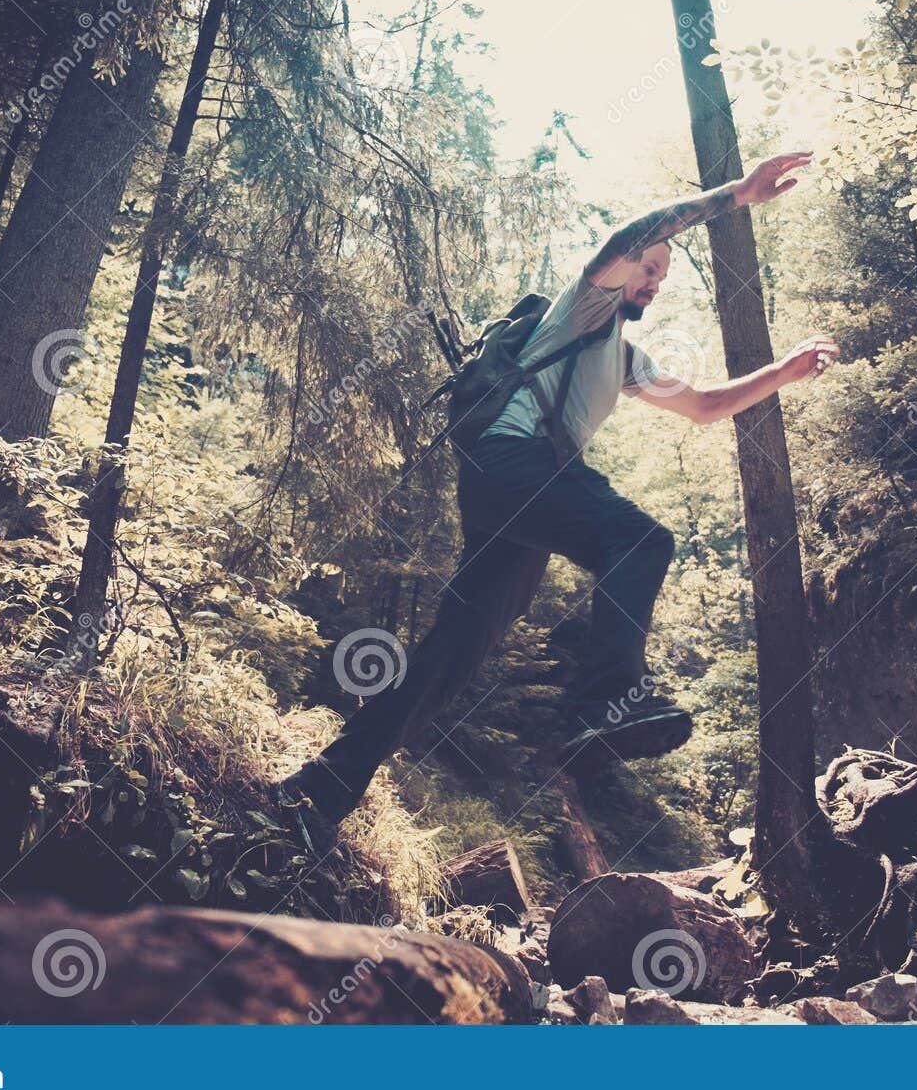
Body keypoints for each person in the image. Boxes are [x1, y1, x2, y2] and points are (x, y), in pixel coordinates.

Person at [280, 152, 838, 844]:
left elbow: (703, 405)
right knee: (641, 539)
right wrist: (736, 194)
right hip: (510, 464)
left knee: (443, 666)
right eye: (650, 267)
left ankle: (312, 795)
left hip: (515, 506)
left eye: (663, 274)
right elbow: (630, 237)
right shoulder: (588, 304)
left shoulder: (627, 360)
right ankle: (602, 701)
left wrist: (785, 370)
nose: (655, 279)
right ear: (626, 264)